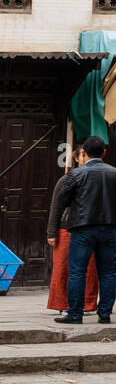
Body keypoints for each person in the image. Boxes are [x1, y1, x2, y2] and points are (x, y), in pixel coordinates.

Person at [52, 136, 116, 325]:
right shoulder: (114, 173)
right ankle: (104, 314)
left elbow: (62, 201)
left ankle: (75, 313)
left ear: (83, 153)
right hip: (109, 228)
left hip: (82, 228)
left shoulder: (76, 174)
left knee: (77, 272)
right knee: (108, 272)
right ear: (104, 153)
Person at [46, 152, 100, 314]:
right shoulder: (67, 179)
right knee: (63, 267)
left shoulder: (97, 178)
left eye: (87, 153)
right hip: (66, 227)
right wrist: (51, 231)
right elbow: (56, 206)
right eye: (82, 154)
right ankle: (62, 303)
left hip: (91, 227)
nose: (85, 157)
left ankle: (88, 304)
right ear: (77, 158)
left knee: (90, 268)